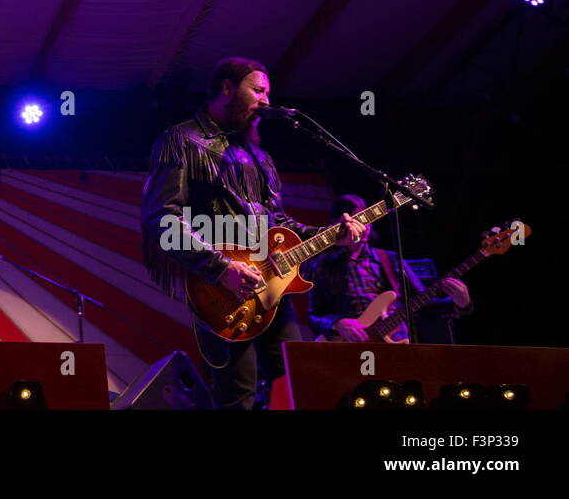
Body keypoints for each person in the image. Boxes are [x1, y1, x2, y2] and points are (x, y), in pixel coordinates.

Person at [141, 57, 365, 409]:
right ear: (228, 88)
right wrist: (220, 268)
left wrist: (331, 234)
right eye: (258, 90)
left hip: (272, 285)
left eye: (268, 93)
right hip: (220, 290)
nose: (265, 100)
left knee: (297, 382)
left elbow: (278, 222)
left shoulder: (258, 155)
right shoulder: (182, 139)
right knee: (237, 395)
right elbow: (161, 218)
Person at [305, 194, 473, 342]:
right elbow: (315, 315)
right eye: (356, 221)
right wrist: (337, 323)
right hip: (349, 345)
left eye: (367, 221)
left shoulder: (390, 259)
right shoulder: (323, 265)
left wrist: (460, 304)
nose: (364, 228)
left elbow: (423, 305)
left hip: (395, 342)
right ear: (338, 226)